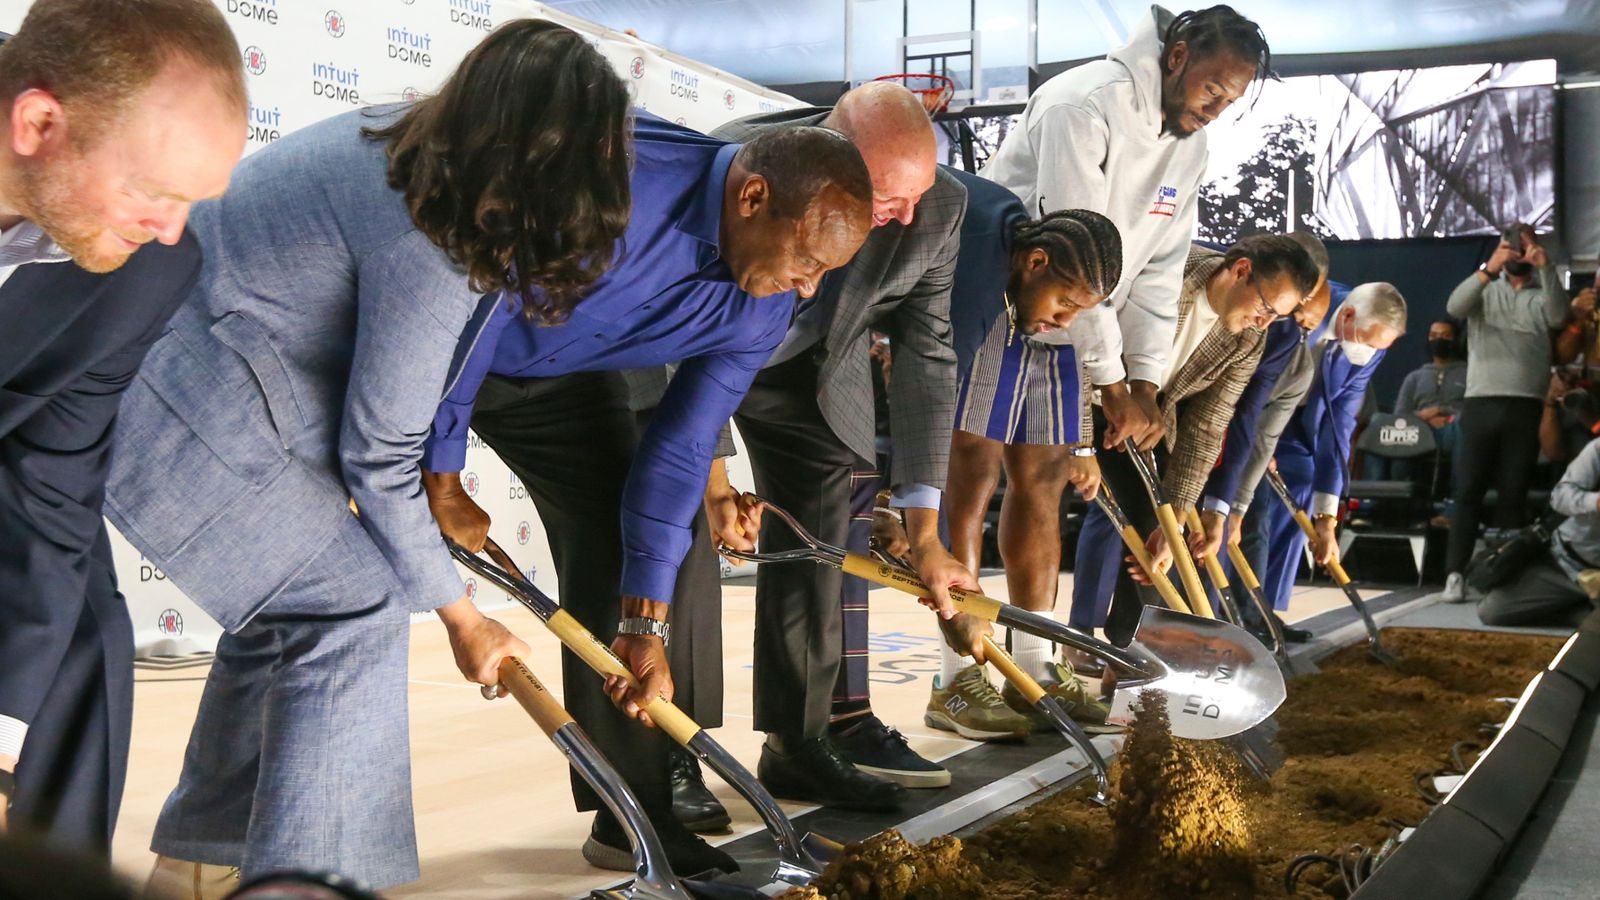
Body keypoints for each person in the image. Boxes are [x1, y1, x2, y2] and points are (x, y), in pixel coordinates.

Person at [103, 21, 633, 891]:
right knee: (353, 603)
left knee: (300, 604)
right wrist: (466, 619)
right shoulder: (432, 233)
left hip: (173, 371)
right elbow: (380, 453)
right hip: (171, 395)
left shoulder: (412, 152)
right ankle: (308, 884)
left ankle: (199, 867)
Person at [420, 118, 874, 869]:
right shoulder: (616, 179)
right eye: (805, 259)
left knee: (610, 536)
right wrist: (440, 473)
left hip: (554, 370)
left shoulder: (765, 304)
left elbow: (683, 446)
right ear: (752, 197)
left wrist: (646, 623)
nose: (808, 286)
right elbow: (472, 295)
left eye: (828, 273)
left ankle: (632, 819)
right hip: (422, 335)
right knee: (348, 573)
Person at [673, 83, 974, 807]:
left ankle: (798, 741)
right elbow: (681, 327)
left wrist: (927, 529)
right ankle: (668, 749)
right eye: (884, 200)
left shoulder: (934, 206)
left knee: (822, 515)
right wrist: (713, 478)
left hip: (809, 365)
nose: (904, 216)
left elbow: (927, 353)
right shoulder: (746, 161)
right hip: (698, 344)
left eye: (914, 196)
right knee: (677, 512)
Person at [0, 0, 245, 854]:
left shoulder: (152, 265)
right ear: (39, 122)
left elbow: (53, 487)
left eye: (190, 201)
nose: (168, 229)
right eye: (151, 191)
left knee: (80, 636)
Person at [983, 4, 1271, 460]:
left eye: (1229, 102)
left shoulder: (1192, 148)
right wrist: (1112, 383)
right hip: (998, 308)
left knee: (1042, 480)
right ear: (1177, 57)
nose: (1215, 111)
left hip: (1071, 328)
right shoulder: (1084, 103)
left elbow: (1161, 271)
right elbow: (1072, 262)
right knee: (972, 468)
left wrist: (1145, 383)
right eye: (1212, 90)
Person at [932, 170, 1122, 739]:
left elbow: (1080, 322)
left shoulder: (1064, 286)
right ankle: (955, 677)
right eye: (1065, 303)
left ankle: (1034, 668)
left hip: (1042, 329)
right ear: (1037, 264)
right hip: (986, 316)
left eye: (1077, 310)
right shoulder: (980, 270)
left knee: (1044, 479)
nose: (1068, 318)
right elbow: (934, 407)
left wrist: (1085, 441)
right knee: (970, 467)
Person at [1070, 236, 1318, 645]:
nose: (1264, 324)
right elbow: (1075, 338)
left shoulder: (1247, 339)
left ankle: (1131, 656)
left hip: (1143, 420)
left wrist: (1180, 515)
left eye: (1277, 318)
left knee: (1163, 532)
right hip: (1072, 395)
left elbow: (1207, 426)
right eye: (1265, 309)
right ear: (1240, 270)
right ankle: (1044, 651)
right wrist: (1078, 443)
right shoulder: (1164, 272)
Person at [1249, 284, 1408, 613]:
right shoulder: (1301, 305)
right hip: (1256, 408)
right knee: (1259, 501)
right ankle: (1241, 607)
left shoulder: (1370, 347)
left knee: (1305, 479)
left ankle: (1267, 610)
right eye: (1367, 342)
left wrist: (1326, 522)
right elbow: (1249, 377)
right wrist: (1259, 443)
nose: (1368, 353)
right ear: (1347, 315)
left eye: (1379, 348)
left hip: (1301, 417)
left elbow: (1340, 426)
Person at [1441, 225, 1567, 602]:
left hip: (1526, 403)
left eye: (1525, 247)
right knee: (1468, 491)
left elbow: (1559, 317)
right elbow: (1454, 307)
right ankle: (1455, 574)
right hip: (1481, 401)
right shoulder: (1486, 288)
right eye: (1512, 247)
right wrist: (1489, 267)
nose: (1518, 253)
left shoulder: (1542, 290)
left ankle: (1505, 578)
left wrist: (1545, 267)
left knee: (1515, 492)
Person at [1478, 437, 1600, 628]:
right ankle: (1580, 613)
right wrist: (1595, 502)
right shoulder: (1597, 449)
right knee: (1491, 612)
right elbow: (1559, 497)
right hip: (1568, 563)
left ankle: (1587, 615)